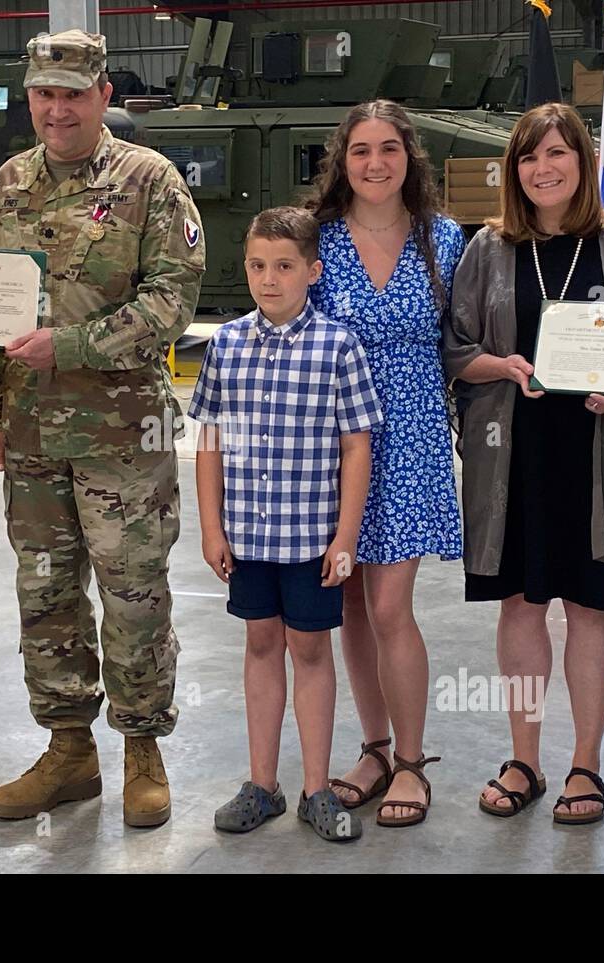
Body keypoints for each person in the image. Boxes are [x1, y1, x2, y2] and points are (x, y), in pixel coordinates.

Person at [0, 29, 205, 829]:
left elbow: (172, 297)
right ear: (30, 99)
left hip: (121, 436)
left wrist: (68, 345)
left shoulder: (150, 181)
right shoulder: (8, 184)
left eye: (73, 93)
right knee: (45, 594)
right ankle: (69, 751)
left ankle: (143, 750)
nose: (58, 108)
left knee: (134, 595)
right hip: (30, 434)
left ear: (104, 96)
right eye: (45, 94)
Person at [444, 102, 604, 825]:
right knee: (521, 603)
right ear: (515, 170)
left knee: (592, 605)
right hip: (513, 454)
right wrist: (501, 366)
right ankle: (525, 757)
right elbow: (455, 348)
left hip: (600, 454)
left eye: (558, 154)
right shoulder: (487, 250)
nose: (543, 168)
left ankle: (586, 762)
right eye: (530, 157)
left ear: (583, 163)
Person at [192, 207, 381, 842]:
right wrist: (212, 529)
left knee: (310, 651)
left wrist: (346, 536)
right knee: (260, 646)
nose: (268, 279)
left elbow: (357, 446)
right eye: (256, 265)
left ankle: (316, 789)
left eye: (284, 266)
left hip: (310, 539)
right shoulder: (224, 345)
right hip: (247, 538)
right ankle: (262, 784)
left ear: (312, 271)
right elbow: (210, 444)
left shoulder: (338, 347)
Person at [308, 100, 462, 827]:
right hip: (330, 438)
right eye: (361, 150)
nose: (374, 163)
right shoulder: (318, 242)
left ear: (410, 158)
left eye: (389, 149)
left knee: (391, 605)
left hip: (411, 437)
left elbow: (465, 341)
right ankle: (371, 747)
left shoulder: (446, 240)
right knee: (348, 603)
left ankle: (410, 759)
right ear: (343, 160)